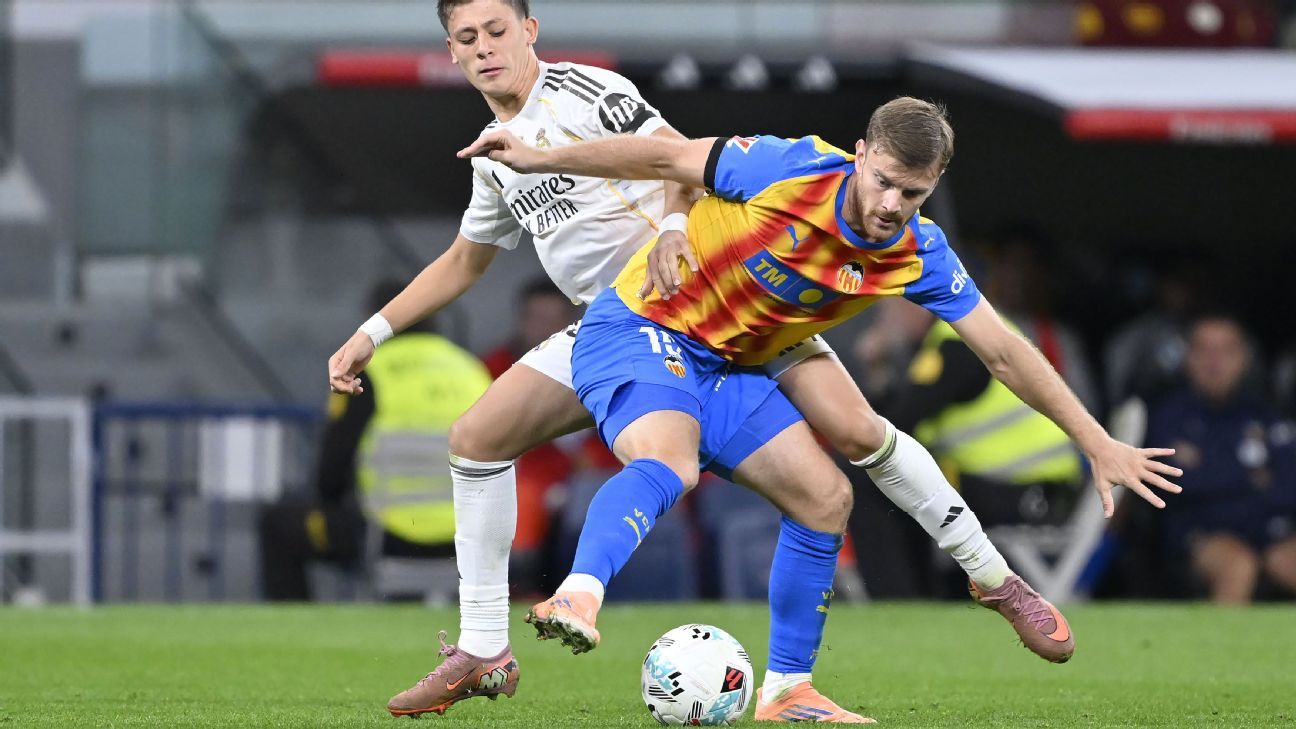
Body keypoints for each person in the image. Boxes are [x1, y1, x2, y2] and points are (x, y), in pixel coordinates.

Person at [330, 1, 1093, 720]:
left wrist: (667, 229)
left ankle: (978, 587)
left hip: (712, 291)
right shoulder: (495, 157)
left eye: (495, 30)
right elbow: (466, 261)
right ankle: (485, 647)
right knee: (475, 441)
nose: (483, 49)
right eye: (466, 39)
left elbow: (673, 160)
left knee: (850, 444)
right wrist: (374, 329)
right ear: (452, 51)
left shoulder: (587, 93)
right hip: (630, 323)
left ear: (531, 29)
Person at [460, 96, 1183, 697]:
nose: (893, 205)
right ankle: (578, 592)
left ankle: (791, 689)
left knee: (829, 494)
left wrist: (1095, 439)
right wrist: (537, 155)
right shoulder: (791, 166)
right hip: (648, 322)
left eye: (915, 193)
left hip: (743, 354)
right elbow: (662, 159)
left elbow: (1002, 350)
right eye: (887, 183)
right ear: (862, 154)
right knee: (670, 462)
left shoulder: (918, 250)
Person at [259, 280, 491, 601]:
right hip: (468, 542)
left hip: (386, 538)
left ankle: (292, 641)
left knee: (278, 525)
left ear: (374, 319)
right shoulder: (472, 370)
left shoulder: (368, 371)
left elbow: (331, 473)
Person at [880, 301, 1085, 529]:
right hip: (1038, 486)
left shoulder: (956, 344)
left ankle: (889, 567)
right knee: (903, 482)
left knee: (877, 479)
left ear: (917, 304)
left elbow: (898, 420)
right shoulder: (971, 326)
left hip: (1029, 490)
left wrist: (879, 365)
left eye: (889, 308)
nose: (886, 319)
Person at [1144, 315, 1296, 603]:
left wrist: (1213, 468)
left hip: (1271, 534)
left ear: (1245, 359)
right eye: (1204, 350)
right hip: (1200, 536)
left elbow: (1289, 486)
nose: (1215, 362)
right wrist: (1253, 477)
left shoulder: (1263, 412)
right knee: (1239, 565)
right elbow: (1180, 485)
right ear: (1188, 357)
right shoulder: (1169, 415)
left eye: (1227, 351)